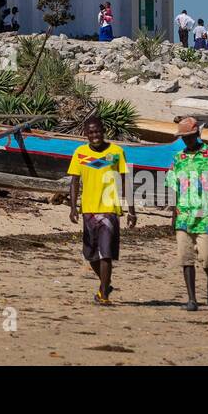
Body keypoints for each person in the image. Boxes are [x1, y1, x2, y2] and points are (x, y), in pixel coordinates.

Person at [67, 117, 136, 306]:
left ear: (103, 131)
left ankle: (103, 294)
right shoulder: (80, 153)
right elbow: (74, 181)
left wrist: (131, 210)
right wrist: (73, 208)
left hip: (109, 210)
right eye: (90, 132)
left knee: (106, 253)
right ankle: (105, 283)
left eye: (97, 131)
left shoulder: (116, 152)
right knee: (90, 255)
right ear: (85, 134)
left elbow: (126, 181)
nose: (95, 135)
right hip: (88, 210)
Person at [167, 117, 208, 311]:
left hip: (205, 213)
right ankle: (192, 299)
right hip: (183, 215)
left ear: (197, 134)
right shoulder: (179, 157)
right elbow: (174, 186)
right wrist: (173, 214)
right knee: (185, 257)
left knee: (207, 255)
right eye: (183, 137)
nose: (186, 140)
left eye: (188, 136)